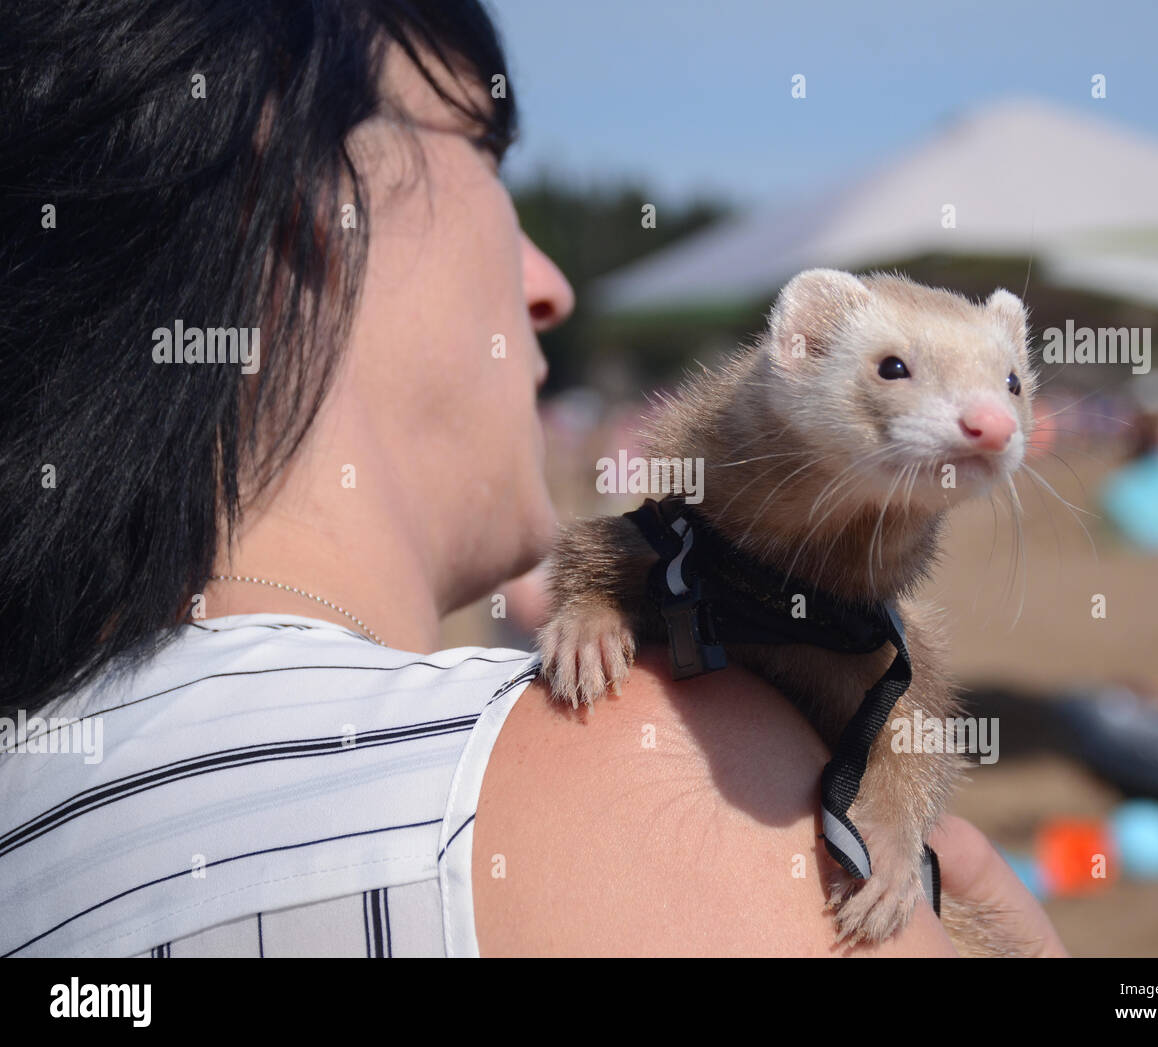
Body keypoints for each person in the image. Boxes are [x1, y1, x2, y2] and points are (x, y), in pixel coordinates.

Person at [0, 0, 1066, 958]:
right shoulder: (663, 779)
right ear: (306, 213)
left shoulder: (35, 780)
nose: (550, 285)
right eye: (486, 159)